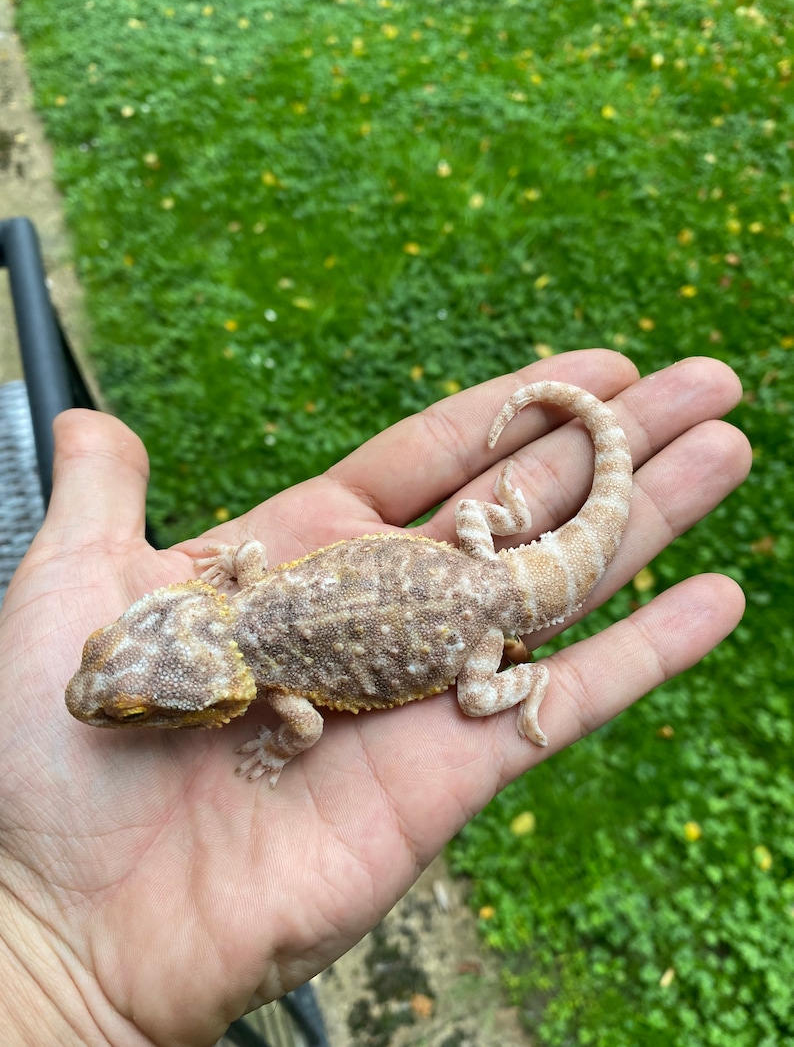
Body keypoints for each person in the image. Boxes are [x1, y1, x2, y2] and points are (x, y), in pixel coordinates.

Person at [0, 350, 750, 1047]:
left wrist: (276, 749)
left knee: (478, 698)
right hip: (475, 561)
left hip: (484, 617)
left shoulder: (277, 689)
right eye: (121, 689)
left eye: (129, 704)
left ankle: (528, 678)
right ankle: (504, 523)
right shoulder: (243, 582)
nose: (92, 701)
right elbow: (250, 560)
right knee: (482, 579)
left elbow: (302, 728)